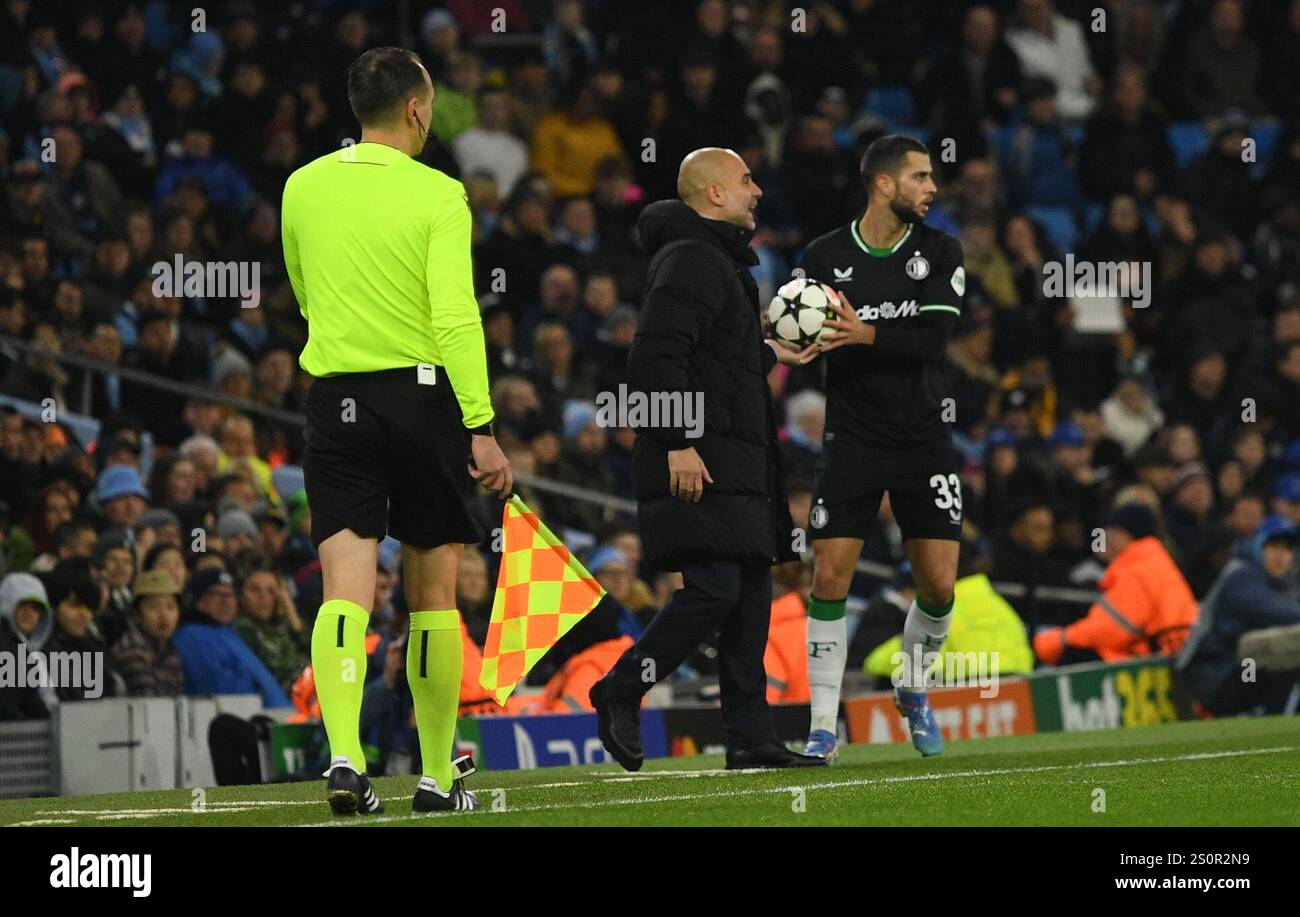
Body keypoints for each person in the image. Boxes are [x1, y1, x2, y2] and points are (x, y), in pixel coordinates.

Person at [282, 47, 511, 816]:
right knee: (432, 596)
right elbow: (455, 315)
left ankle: (345, 757)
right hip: (421, 400)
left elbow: (304, 290)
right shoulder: (440, 193)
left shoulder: (302, 185)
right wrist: (480, 423)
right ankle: (438, 775)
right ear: (417, 110)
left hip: (336, 396)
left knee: (344, 590)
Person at [589, 147, 824, 772]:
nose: (756, 191)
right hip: (701, 461)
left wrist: (769, 354)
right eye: (745, 180)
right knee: (716, 591)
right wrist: (678, 442)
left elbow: (717, 365)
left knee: (748, 598)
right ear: (715, 194)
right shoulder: (693, 258)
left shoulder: (716, 262)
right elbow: (654, 358)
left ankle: (749, 736)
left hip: (737, 466)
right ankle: (622, 685)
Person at [793, 135, 967, 761]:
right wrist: (789, 344)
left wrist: (864, 332)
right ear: (884, 184)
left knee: (940, 588)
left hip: (922, 435)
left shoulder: (942, 250)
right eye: (921, 177)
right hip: (853, 436)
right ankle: (820, 727)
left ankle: (913, 687)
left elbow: (933, 341)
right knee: (830, 573)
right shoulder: (823, 255)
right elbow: (804, 334)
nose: (932, 187)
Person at [1033, 502, 1199, 664]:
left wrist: (1053, 641)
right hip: (1172, 656)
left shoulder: (1136, 571)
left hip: (1151, 662)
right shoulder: (1156, 563)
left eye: (1110, 533)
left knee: (1075, 653)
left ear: (1123, 534)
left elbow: (1106, 630)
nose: (1107, 540)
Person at [1177, 515, 1300, 715]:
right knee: (1278, 659)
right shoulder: (1240, 576)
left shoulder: (1286, 584)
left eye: (1287, 548)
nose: (1280, 554)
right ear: (1258, 546)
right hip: (1213, 675)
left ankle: (1275, 715)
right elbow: (1271, 610)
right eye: (1273, 546)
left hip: (1237, 670)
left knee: (1283, 659)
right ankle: (1267, 716)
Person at [111, 568, 184, 697]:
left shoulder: (170, 647)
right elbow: (147, 698)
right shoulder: (132, 647)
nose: (163, 615)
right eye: (154, 606)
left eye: (170, 607)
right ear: (137, 614)